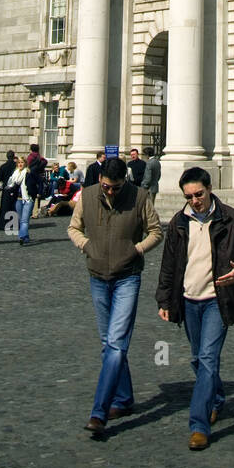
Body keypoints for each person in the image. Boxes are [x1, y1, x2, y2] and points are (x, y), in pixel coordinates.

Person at [156, 167, 234, 451]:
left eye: (199, 194)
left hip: (218, 298)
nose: (195, 200)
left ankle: (199, 425)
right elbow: (169, 265)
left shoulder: (230, 218)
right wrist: (164, 300)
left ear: (210, 188)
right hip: (189, 300)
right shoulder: (179, 221)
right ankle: (215, 398)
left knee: (207, 359)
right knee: (197, 359)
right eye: (189, 196)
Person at [68, 156, 162, 435]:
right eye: (107, 187)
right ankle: (123, 398)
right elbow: (73, 227)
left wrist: (137, 250)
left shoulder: (139, 197)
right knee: (108, 343)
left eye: (116, 187)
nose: (111, 192)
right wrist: (86, 246)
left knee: (117, 343)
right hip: (97, 276)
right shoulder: (88, 196)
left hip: (127, 277)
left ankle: (99, 411)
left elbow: (156, 232)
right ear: (100, 180)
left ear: (125, 181)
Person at [7, 155, 37, 244]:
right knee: (20, 219)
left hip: (28, 199)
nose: (20, 164)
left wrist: (34, 194)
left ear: (25, 164)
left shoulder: (28, 173)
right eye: (19, 162)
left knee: (24, 220)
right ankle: (26, 237)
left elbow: (36, 184)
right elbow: (11, 184)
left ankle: (22, 236)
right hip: (18, 199)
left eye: (22, 162)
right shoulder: (15, 173)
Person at [0, 151, 18, 232]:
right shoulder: (16, 166)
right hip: (14, 187)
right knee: (14, 206)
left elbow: (0, 178)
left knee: (5, 207)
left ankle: (3, 224)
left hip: (6, 188)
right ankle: (14, 224)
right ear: (13, 157)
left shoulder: (3, 166)